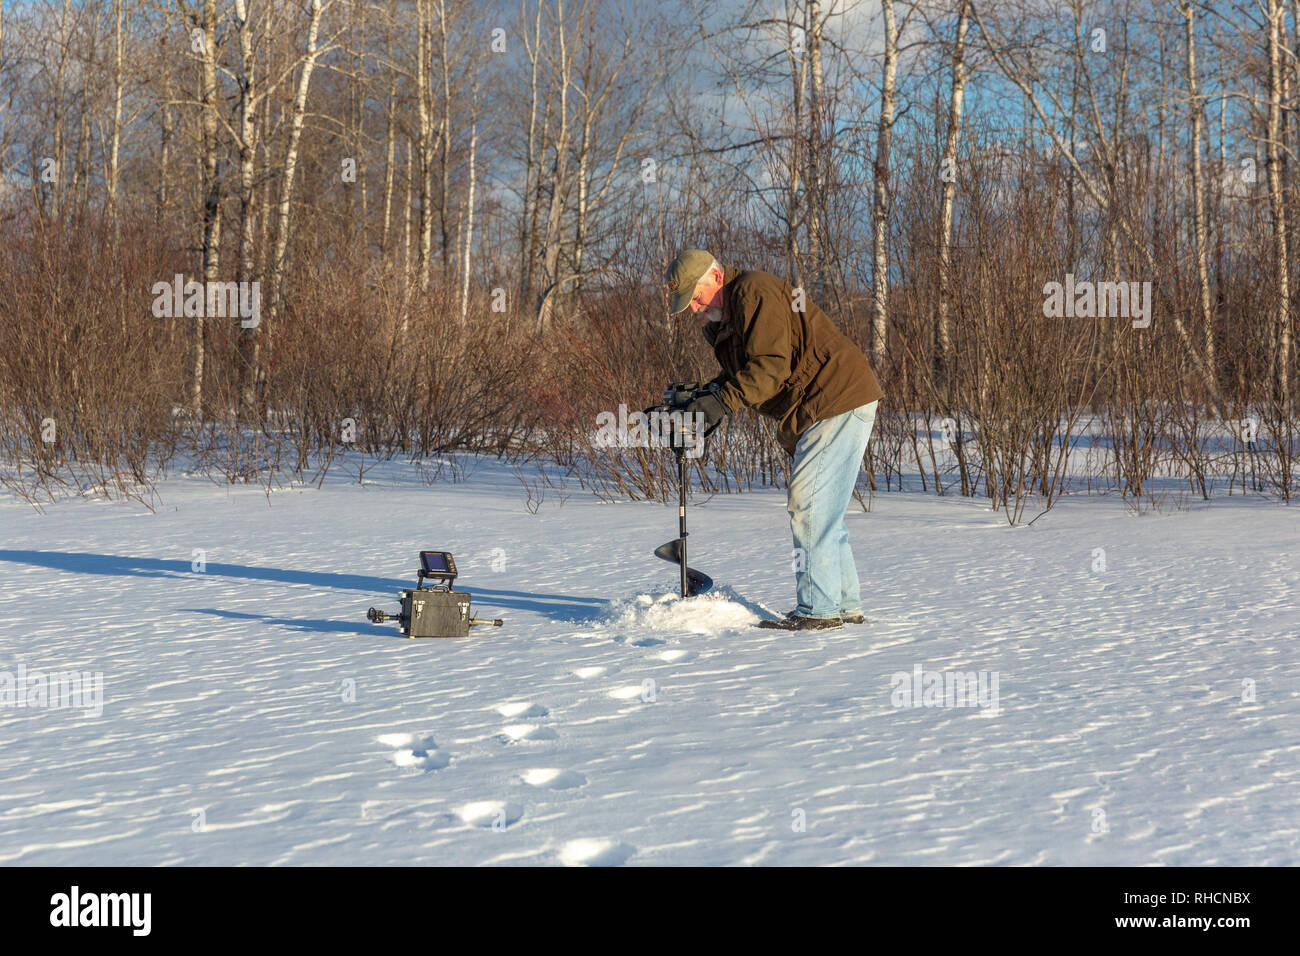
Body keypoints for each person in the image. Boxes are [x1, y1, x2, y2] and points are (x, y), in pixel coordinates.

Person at [662, 249, 885, 630]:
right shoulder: (725, 317)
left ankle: (820, 612)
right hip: (827, 403)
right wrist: (707, 396)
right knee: (824, 513)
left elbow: (770, 368)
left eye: (696, 297)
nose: (696, 308)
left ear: (716, 278)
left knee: (808, 506)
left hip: (834, 398)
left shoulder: (754, 292)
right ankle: (844, 606)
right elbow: (747, 371)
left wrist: (718, 404)